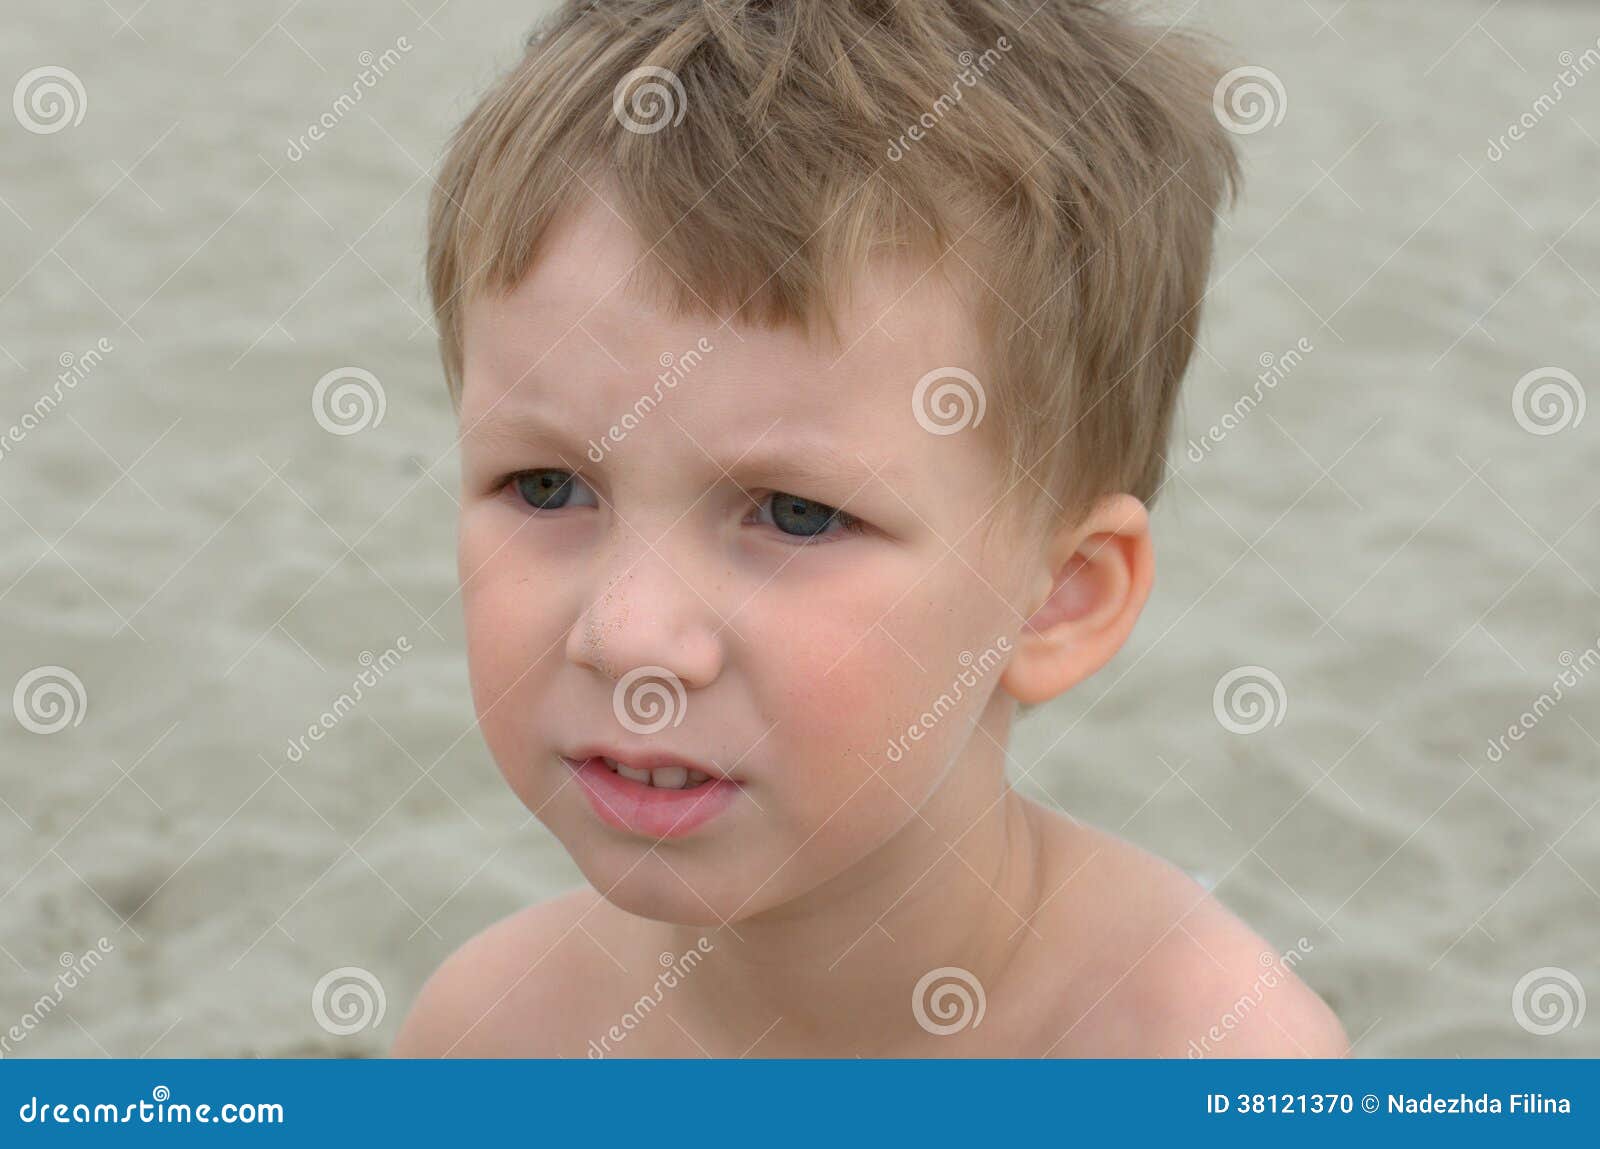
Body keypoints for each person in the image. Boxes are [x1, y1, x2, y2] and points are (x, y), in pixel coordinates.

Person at [392, 0, 1348, 1058]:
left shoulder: (1201, 1063)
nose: (625, 636)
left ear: (1060, 596)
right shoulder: (495, 1034)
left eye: (795, 514)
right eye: (545, 489)